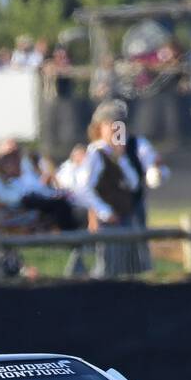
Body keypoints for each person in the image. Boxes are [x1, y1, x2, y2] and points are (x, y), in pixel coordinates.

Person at [71, 101, 153, 278]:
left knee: (131, 266)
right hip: (107, 221)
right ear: (99, 127)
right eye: (111, 125)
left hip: (125, 217)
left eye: (120, 125)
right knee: (108, 268)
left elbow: (133, 184)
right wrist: (103, 211)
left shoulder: (120, 153)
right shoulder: (95, 153)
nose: (116, 130)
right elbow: (82, 188)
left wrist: (121, 158)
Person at [0, 138, 78, 230]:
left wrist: (51, 194)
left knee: (64, 203)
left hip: (33, 201)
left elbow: (39, 189)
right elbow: (5, 199)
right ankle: (71, 237)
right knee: (60, 205)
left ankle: (72, 236)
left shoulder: (26, 172)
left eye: (16, 155)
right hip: (19, 206)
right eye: (8, 157)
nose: (15, 159)